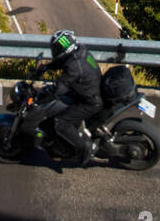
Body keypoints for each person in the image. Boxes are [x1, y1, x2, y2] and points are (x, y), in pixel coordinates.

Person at [19, 29, 103, 163]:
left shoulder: (74, 66)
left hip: (90, 101)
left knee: (61, 123)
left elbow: (58, 90)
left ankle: (85, 148)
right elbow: (62, 61)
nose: (55, 52)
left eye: (57, 49)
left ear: (65, 50)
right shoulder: (79, 51)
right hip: (87, 91)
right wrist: (46, 67)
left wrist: (38, 99)